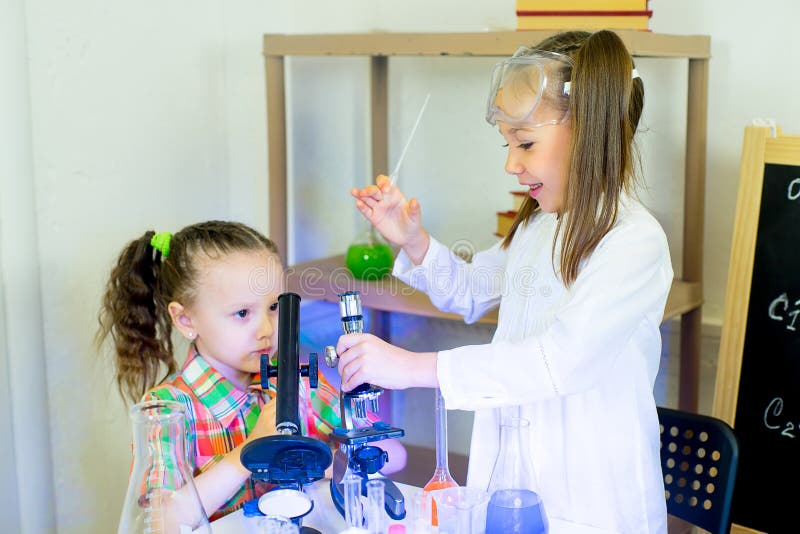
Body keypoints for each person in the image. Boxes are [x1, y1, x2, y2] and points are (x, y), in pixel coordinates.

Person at [337, 30, 671, 533]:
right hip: (516, 484)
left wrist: (409, 366)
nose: (511, 164)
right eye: (508, 143)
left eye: (527, 143)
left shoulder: (633, 242)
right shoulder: (540, 225)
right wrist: (414, 241)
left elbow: (559, 363)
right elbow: (471, 290)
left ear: (593, 130)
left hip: (594, 500)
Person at [97, 220, 403, 525]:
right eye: (242, 313)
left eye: (273, 307)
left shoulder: (297, 382)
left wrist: (315, 463)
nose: (267, 331)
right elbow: (159, 524)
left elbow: (393, 454)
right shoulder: (168, 411)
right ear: (186, 320)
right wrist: (248, 452)